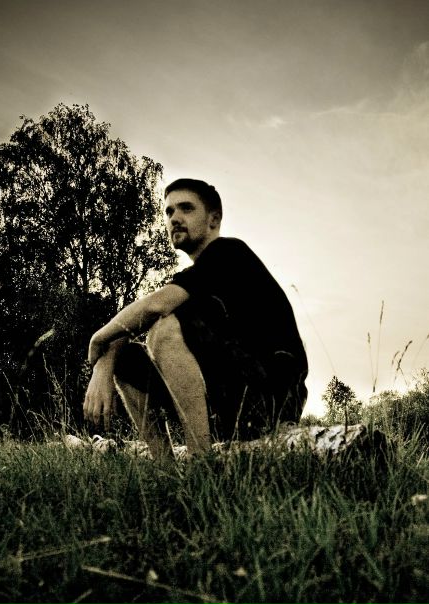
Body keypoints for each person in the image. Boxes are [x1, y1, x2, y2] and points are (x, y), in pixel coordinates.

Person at [83, 178, 308, 457]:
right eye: (169, 211)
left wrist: (98, 339)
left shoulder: (229, 253)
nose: (174, 218)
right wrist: (105, 364)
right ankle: (164, 468)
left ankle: (199, 462)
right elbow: (135, 322)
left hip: (271, 399)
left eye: (186, 208)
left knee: (164, 327)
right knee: (128, 358)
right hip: (225, 398)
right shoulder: (194, 281)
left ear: (213, 219)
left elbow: (155, 307)